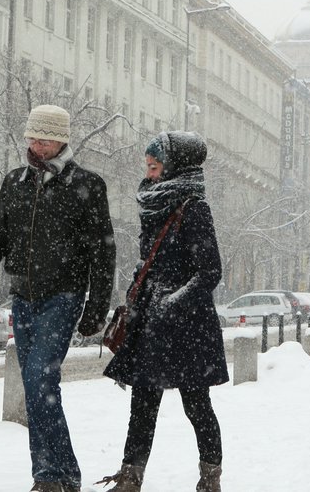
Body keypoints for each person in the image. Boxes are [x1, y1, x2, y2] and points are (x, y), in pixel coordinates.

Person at [0, 104, 115, 492]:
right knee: (35, 387)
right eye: (31, 137)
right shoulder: (15, 182)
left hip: (64, 296)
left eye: (43, 138)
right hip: (24, 297)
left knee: (40, 378)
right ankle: (53, 475)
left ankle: (56, 476)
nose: (35, 144)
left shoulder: (87, 185)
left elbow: (103, 250)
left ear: (61, 139)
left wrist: (96, 307)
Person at [100, 131, 227, 492]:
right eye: (148, 166)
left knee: (197, 405)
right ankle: (130, 477)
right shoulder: (154, 205)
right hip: (152, 320)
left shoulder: (193, 207)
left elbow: (210, 271)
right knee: (142, 404)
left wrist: (173, 301)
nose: (149, 173)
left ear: (174, 167)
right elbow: (149, 259)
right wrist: (138, 291)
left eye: (155, 166)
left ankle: (210, 477)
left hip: (187, 326)